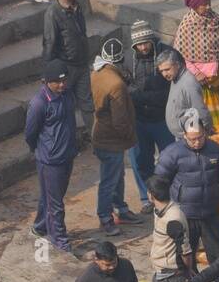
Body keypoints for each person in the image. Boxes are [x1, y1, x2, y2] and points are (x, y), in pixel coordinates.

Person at [154, 114, 219, 282]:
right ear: (184, 135)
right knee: (187, 257)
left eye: (200, 137)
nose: (196, 142)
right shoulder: (172, 153)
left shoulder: (215, 150)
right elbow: (160, 180)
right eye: (192, 138)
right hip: (185, 215)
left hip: (210, 212)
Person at [91, 38, 142, 236]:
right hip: (112, 139)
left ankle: (121, 208)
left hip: (101, 134)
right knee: (109, 180)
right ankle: (105, 217)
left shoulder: (96, 73)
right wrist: (131, 136)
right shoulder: (117, 84)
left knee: (116, 176)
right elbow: (120, 121)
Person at [173, 0, 219, 147]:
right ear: (194, 6)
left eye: (209, 3)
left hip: (216, 78)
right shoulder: (187, 25)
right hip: (200, 83)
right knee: (204, 113)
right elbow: (181, 56)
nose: (208, 7)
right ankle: (206, 143)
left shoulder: (216, 19)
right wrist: (197, 73)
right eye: (203, 4)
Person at [25, 60, 77, 252]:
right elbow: (30, 133)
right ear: (46, 81)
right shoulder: (39, 103)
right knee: (56, 204)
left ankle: (40, 226)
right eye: (56, 82)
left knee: (52, 196)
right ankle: (60, 241)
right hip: (50, 161)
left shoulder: (66, 95)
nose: (61, 85)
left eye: (64, 81)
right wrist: (42, 150)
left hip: (67, 155)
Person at [128, 20, 177, 214]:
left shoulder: (167, 54)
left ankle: (170, 194)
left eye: (145, 43)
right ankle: (147, 197)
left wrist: (142, 96)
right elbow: (125, 85)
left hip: (163, 119)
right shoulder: (128, 58)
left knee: (169, 159)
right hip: (139, 120)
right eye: (139, 44)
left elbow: (173, 84)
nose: (143, 47)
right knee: (140, 160)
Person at [42, 0, 93, 132]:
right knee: (65, 107)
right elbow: (49, 42)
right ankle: (67, 143)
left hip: (82, 64)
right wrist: (49, 72)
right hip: (66, 68)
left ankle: (97, 141)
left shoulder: (77, 6)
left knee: (88, 105)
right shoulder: (52, 13)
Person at [159, 48, 212, 141]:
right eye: (161, 71)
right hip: (182, 137)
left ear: (178, 65)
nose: (164, 74)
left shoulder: (188, 83)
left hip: (190, 139)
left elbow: (200, 112)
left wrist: (200, 136)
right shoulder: (175, 78)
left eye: (167, 69)